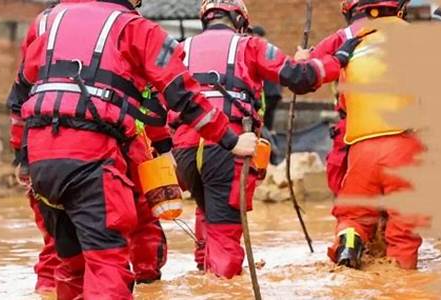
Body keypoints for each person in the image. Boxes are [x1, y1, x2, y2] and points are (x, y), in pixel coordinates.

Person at [6, 0, 258, 299]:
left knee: (71, 266)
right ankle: (149, 279)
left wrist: (22, 159)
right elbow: (183, 94)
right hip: (93, 157)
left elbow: (20, 95)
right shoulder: (136, 27)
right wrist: (230, 140)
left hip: (41, 159)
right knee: (106, 266)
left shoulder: (46, 21)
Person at [171, 0, 361, 279]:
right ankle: (223, 285)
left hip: (184, 151)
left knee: (206, 213)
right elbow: (300, 77)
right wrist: (339, 59)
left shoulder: (179, 49)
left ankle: (204, 272)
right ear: (239, 20)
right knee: (225, 232)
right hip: (228, 148)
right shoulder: (250, 45)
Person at [309, 0, 425, 270]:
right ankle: (400, 275)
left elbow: (306, 71)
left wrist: (304, 57)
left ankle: (349, 243)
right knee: (404, 227)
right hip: (404, 145)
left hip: (358, 145)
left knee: (354, 215)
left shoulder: (349, 42)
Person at [250, 25, 283, 131]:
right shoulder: (273, 49)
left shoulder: (260, 48)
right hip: (275, 91)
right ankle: (269, 138)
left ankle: (265, 140)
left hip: (266, 91)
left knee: (261, 120)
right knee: (268, 119)